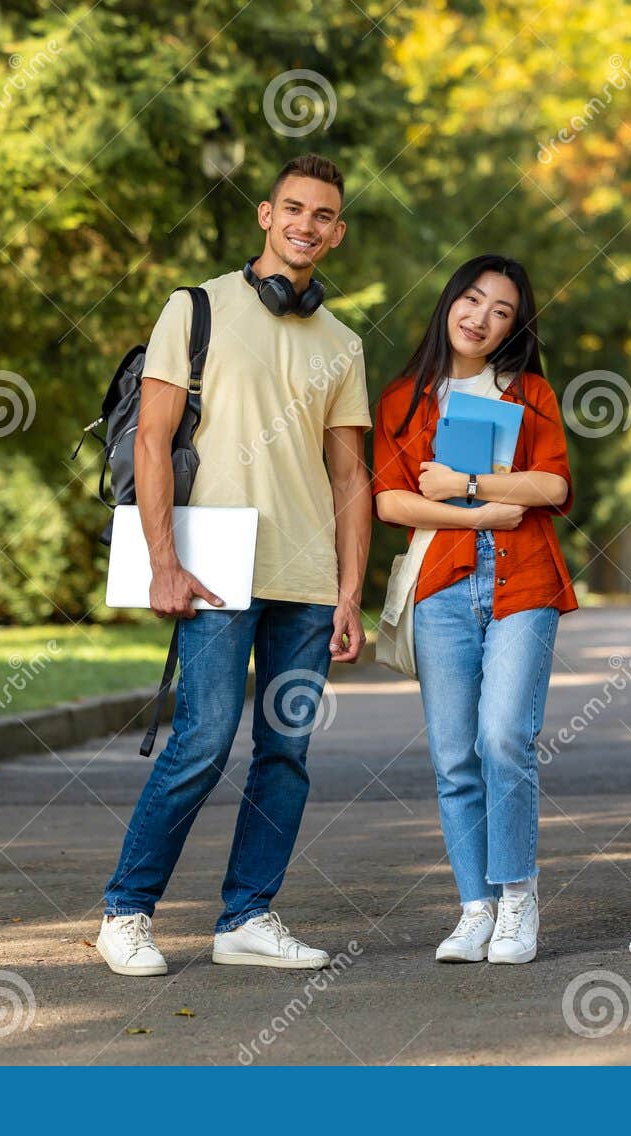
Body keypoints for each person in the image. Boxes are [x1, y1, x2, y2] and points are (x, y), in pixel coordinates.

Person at [96, 154, 372, 976]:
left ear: (338, 232)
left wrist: (350, 590)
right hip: (215, 566)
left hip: (307, 582)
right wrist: (161, 562)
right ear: (265, 213)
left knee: (286, 752)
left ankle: (247, 917)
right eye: (294, 209)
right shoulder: (196, 308)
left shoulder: (344, 342)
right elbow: (151, 439)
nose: (307, 225)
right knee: (204, 742)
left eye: (323, 216)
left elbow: (351, 475)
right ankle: (127, 911)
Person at [372, 255, 576, 965]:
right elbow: (390, 501)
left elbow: (550, 488)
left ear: (515, 327)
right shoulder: (403, 400)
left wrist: (465, 481)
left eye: (501, 310)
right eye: (472, 298)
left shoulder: (532, 394)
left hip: (524, 582)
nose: (481, 317)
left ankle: (518, 898)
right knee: (453, 754)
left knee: (503, 738)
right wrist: (486, 513)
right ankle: (474, 908)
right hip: (440, 585)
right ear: (449, 302)